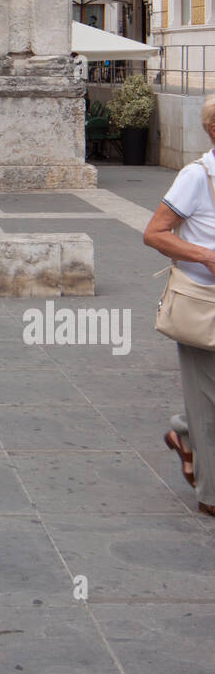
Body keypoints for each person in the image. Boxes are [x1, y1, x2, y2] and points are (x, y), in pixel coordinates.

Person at [143, 95, 215, 517]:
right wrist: (206, 256)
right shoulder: (197, 176)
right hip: (204, 302)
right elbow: (155, 233)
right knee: (206, 400)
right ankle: (210, 495)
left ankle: (184, 435)